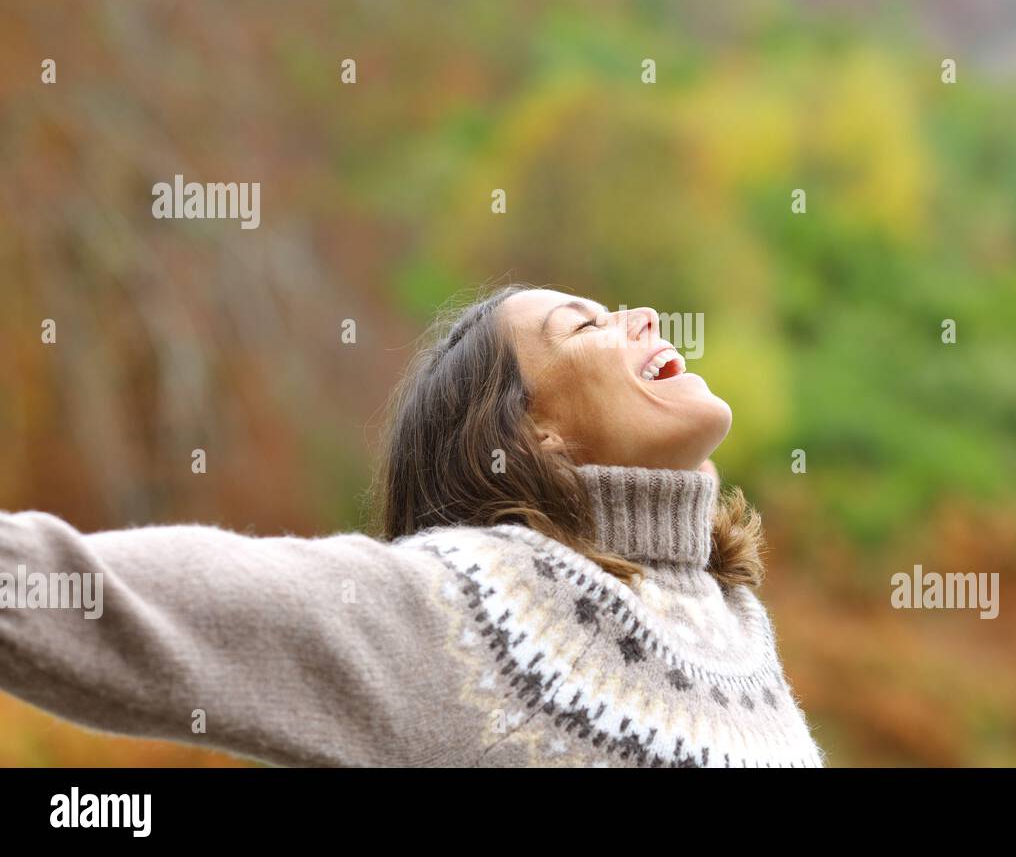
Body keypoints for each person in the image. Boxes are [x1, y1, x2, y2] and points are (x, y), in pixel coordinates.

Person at [0, 285, 827, 767]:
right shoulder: (474, 614)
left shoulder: (736, 623)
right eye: (585, 326)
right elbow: (159, 599)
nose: (640, 315)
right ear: (533, 435)